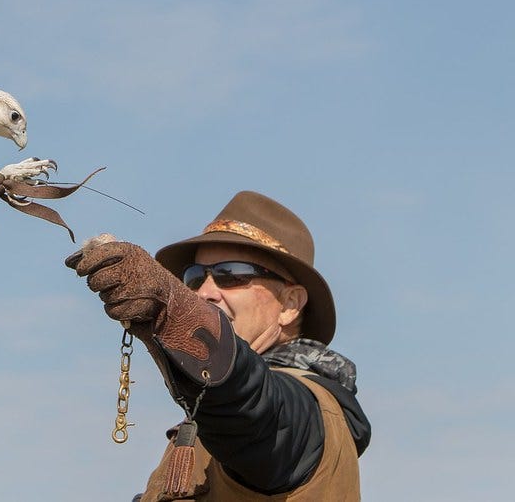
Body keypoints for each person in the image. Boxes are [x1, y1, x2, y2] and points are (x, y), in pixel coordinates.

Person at [65, 191, 370, 500]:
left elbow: (251, 405)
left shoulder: (308, 411)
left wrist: (172, 313)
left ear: (291, 304)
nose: (204, 292)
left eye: (231, 274)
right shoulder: (209, 424)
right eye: (194, 277)